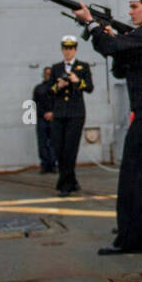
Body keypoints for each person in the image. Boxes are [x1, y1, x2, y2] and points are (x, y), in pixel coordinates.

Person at [72, 0, 142, 253]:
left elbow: (111, 48)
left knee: (133, 175)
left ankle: (130, 240)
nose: (129, 13)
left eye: (134, 7)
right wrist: (107, 34)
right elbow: (119, 67)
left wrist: (92, 25)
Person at [47, 35, 94, 197]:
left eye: (70, 48)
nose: (67, 52)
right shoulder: (56, 68)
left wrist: (77, 80)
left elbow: (89, 87)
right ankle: (72, 181)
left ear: (75, 50)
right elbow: (49, 91)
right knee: (59, 148)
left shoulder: (83, 67)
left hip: (76, 113)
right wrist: (58, 85)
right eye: (65, 49)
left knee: (70, 149)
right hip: (60, 113)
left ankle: (64, 184)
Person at [33, 66, 58, 173]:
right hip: (41, 118)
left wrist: (53, 113)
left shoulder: (57, 88)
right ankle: (45, 165)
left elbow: (60, 103)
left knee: (53, 142)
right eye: (46, 74)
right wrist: (44, 114)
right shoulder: (38, 88)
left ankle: (53, 164)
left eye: (49, 73)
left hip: (54, 118)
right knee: (42, 142)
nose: (48, 75)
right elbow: (35, 103)